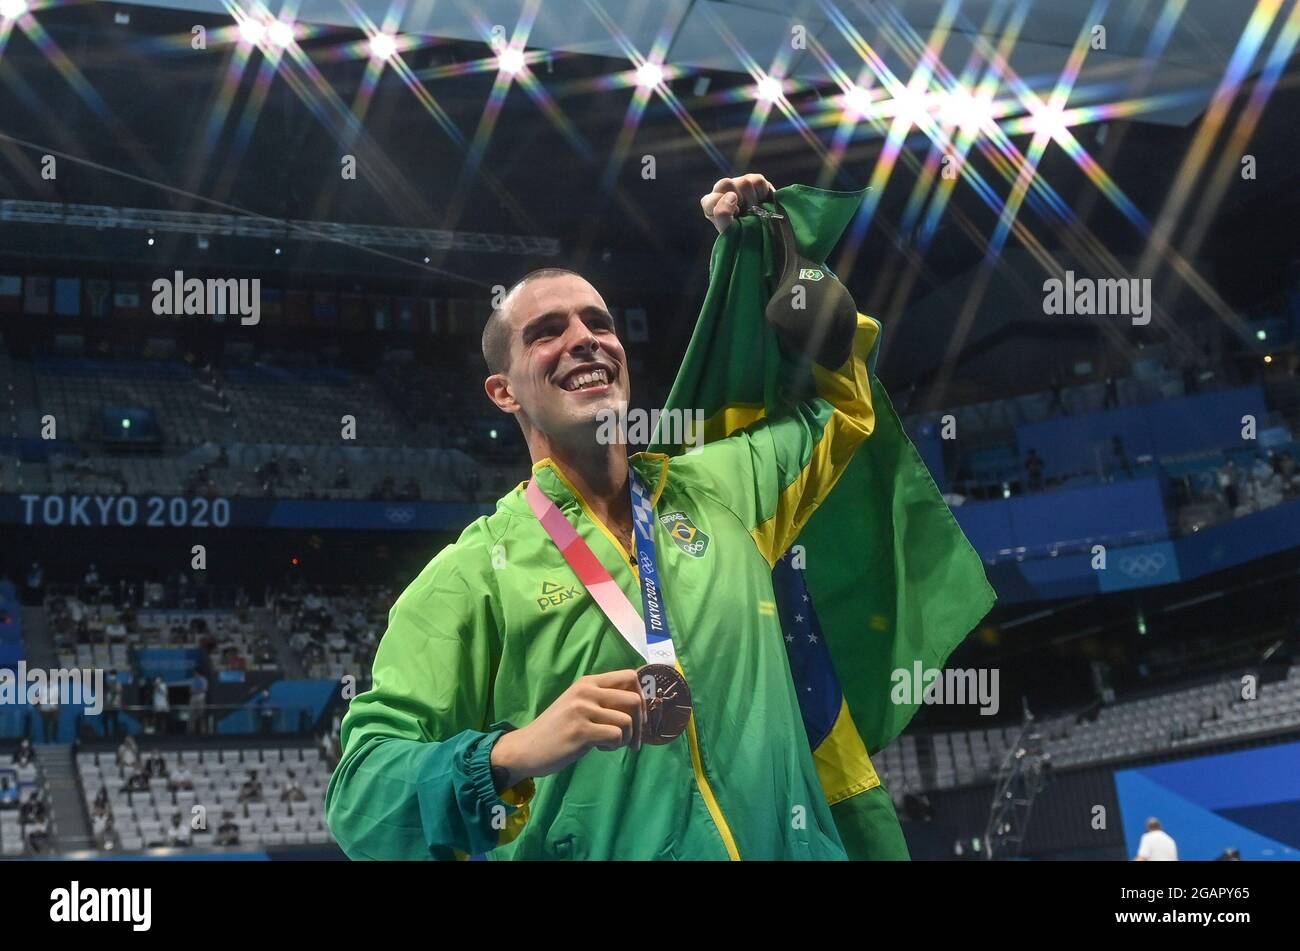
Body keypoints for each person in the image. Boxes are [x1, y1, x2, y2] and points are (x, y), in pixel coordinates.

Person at [325, 175, 904, 861]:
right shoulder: (474, 574)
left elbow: (839, 405)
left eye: (599, 323)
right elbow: (360, 798)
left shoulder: (725, 488)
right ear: (504, 392)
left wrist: (775, 252)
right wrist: (508, 754)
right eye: (547, 333)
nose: (585, 340)